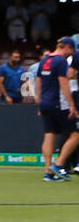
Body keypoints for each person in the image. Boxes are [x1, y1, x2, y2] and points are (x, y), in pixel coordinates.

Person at [37, 37, 78, 181]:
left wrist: (40, 102)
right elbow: (64, 83)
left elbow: (38, 83)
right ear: (66, 47)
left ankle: (48, 172)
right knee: (76, 134)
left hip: (45, 103)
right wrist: (71, 104)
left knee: (49, 135)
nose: (71, 54)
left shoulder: (44, 60)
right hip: (58, 104)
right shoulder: (60, 61)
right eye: (71, 51)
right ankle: (59, 164)